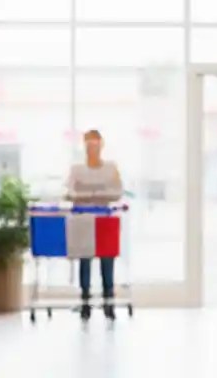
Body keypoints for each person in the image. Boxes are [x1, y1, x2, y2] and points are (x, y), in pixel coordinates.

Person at [65, 129, 124, 320]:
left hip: (105, 219)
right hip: (84, 219)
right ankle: (85, 300)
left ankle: (108, 300)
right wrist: (90, 196)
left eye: (95, 145)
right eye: (89, 145)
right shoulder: (77, 170)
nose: (92, 149)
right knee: (85, 258)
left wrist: (93, 196)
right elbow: (70, 193)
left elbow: (117, 192)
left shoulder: (110, 168)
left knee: (107, 258)